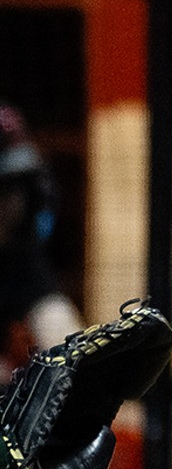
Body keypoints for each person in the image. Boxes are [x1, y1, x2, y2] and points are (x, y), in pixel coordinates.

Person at [0, 105, 83, 364]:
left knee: (59, 326)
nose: (12, 205)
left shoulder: (25, 261)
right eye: (5, 191)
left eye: (17, 191)